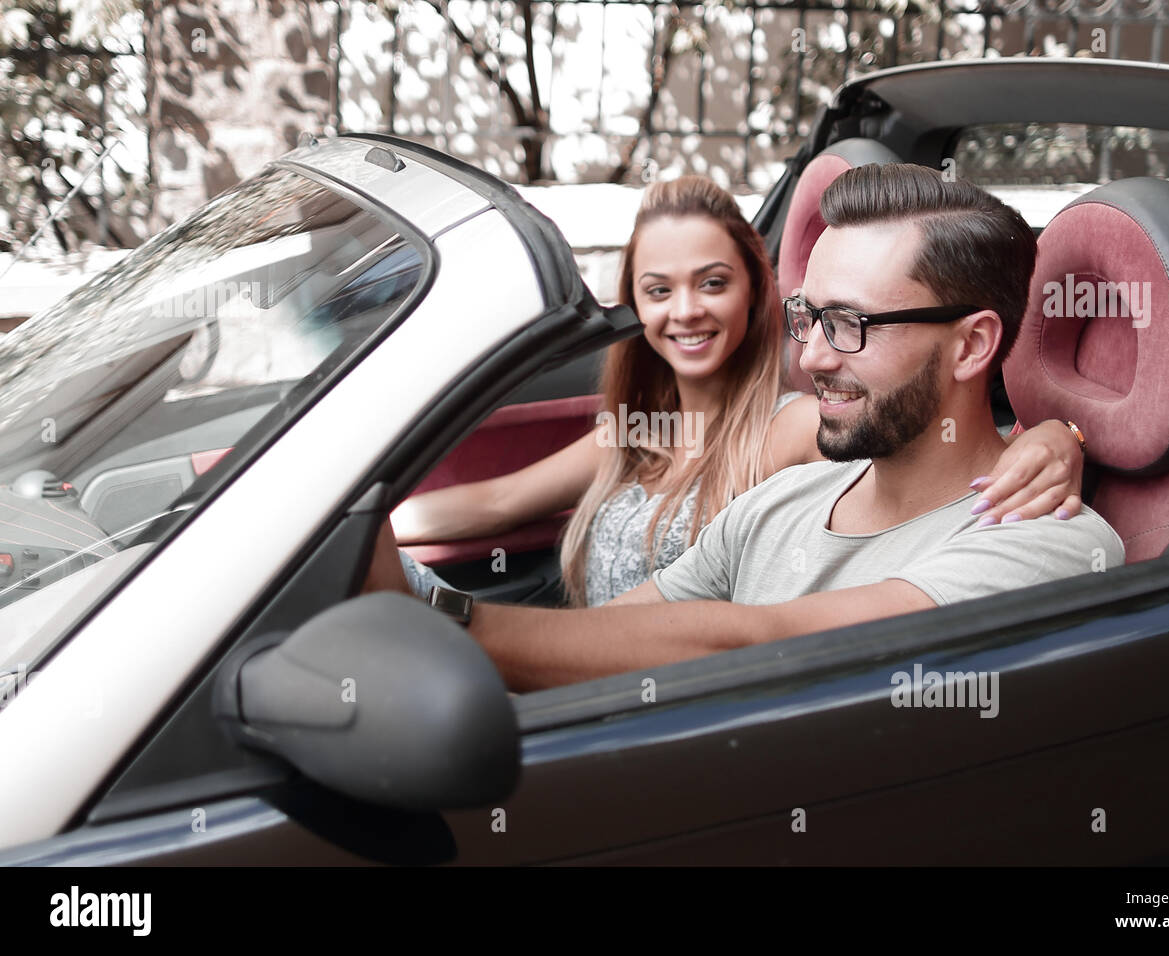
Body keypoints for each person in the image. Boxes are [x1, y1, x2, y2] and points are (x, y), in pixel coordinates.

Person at [442, 163, 1125, 691]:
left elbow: (763, 642)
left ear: (972, 346)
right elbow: (603, 642)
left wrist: (449, 630)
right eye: (810, 317)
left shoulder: (1047, 542)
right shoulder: (777, 502)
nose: (813, 357)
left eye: (851, 323)